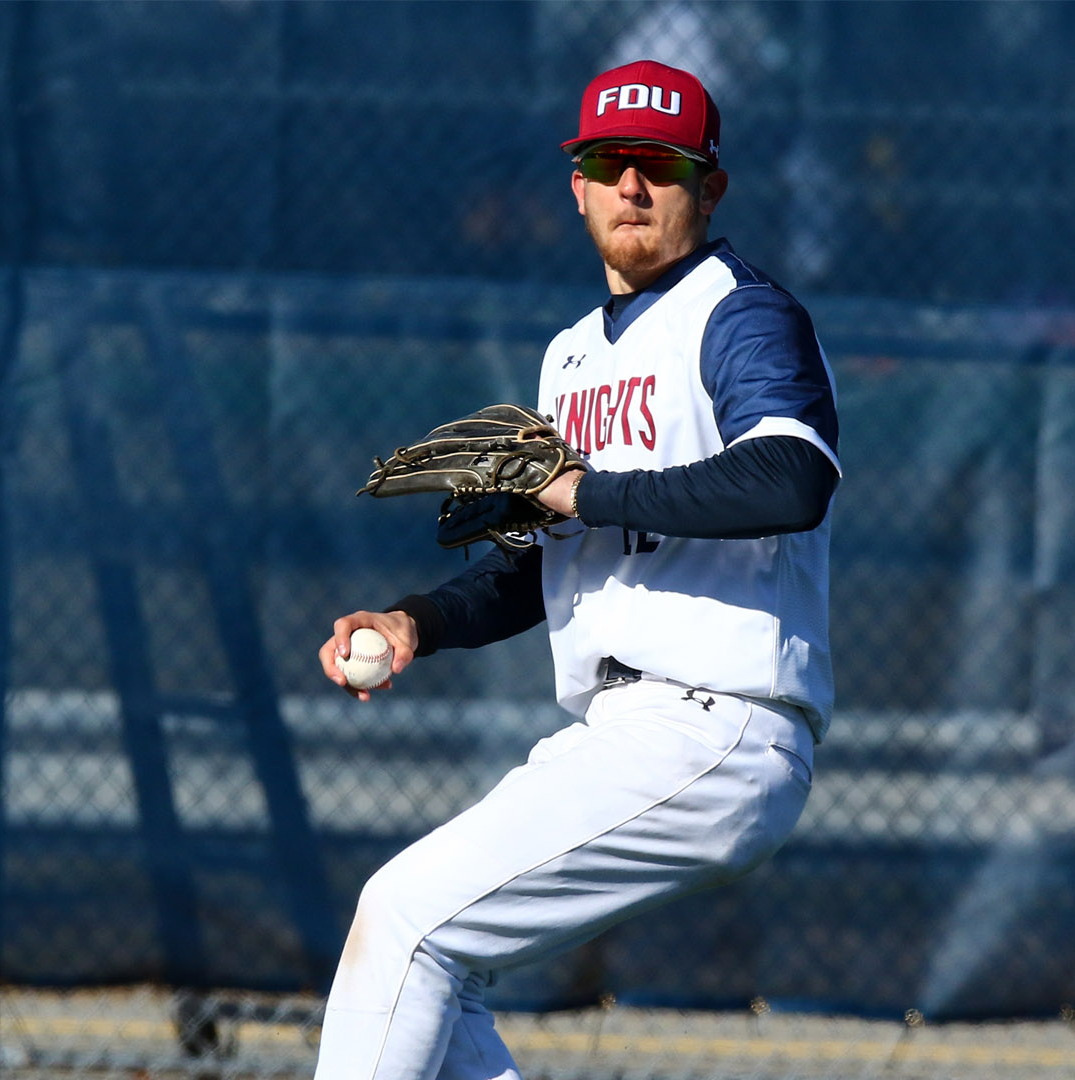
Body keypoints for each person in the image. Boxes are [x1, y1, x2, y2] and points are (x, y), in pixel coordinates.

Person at [312, 59, 840, 1080]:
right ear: (578, 187)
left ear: (710, 188)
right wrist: (420, 620)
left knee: (407, 920)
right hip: (618, 728)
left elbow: (791, 477)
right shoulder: (570, 358)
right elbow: (544, 559)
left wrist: (581, 489)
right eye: (608, 164)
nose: (631, 187)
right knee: (433, 967)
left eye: (660, 165)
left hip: (716, 720)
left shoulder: (739, 314)